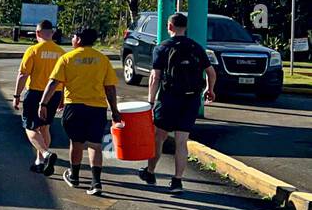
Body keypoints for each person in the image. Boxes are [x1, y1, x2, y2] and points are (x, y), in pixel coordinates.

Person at [137, 12, 218, 194]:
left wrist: (151, 101)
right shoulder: (196, 47)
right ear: (185, 27)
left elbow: (155, 77)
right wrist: (209, 89)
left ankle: (150, 172)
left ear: (169, 27)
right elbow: (211, 72)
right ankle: (177, 181)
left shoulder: (162, 48)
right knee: (182, 142)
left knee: (159, 137)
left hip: (168, 99)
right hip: (190, 99)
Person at [38, 27, 123, 197]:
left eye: (73, 36)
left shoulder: (67, 58)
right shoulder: (102, 59)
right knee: (96, 145)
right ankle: (96, 182)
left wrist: (43, 103)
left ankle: (74, 176)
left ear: (77, 39)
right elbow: (110, 88)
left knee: (76, 142)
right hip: (97, 108)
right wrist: (114, 111)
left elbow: (53, 83)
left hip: (74, 107)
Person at [12, 19, 65, 175]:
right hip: (54, 94)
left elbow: (23, 75)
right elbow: (64, 78)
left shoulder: (33, 50)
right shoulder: (61, 53)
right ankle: (40, 161)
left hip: (35, 93)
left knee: (30, 127)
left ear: (37, 33)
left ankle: (46, 153)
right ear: (52, 33)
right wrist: (62, 98)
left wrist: (16, 95)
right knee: (45, 127)